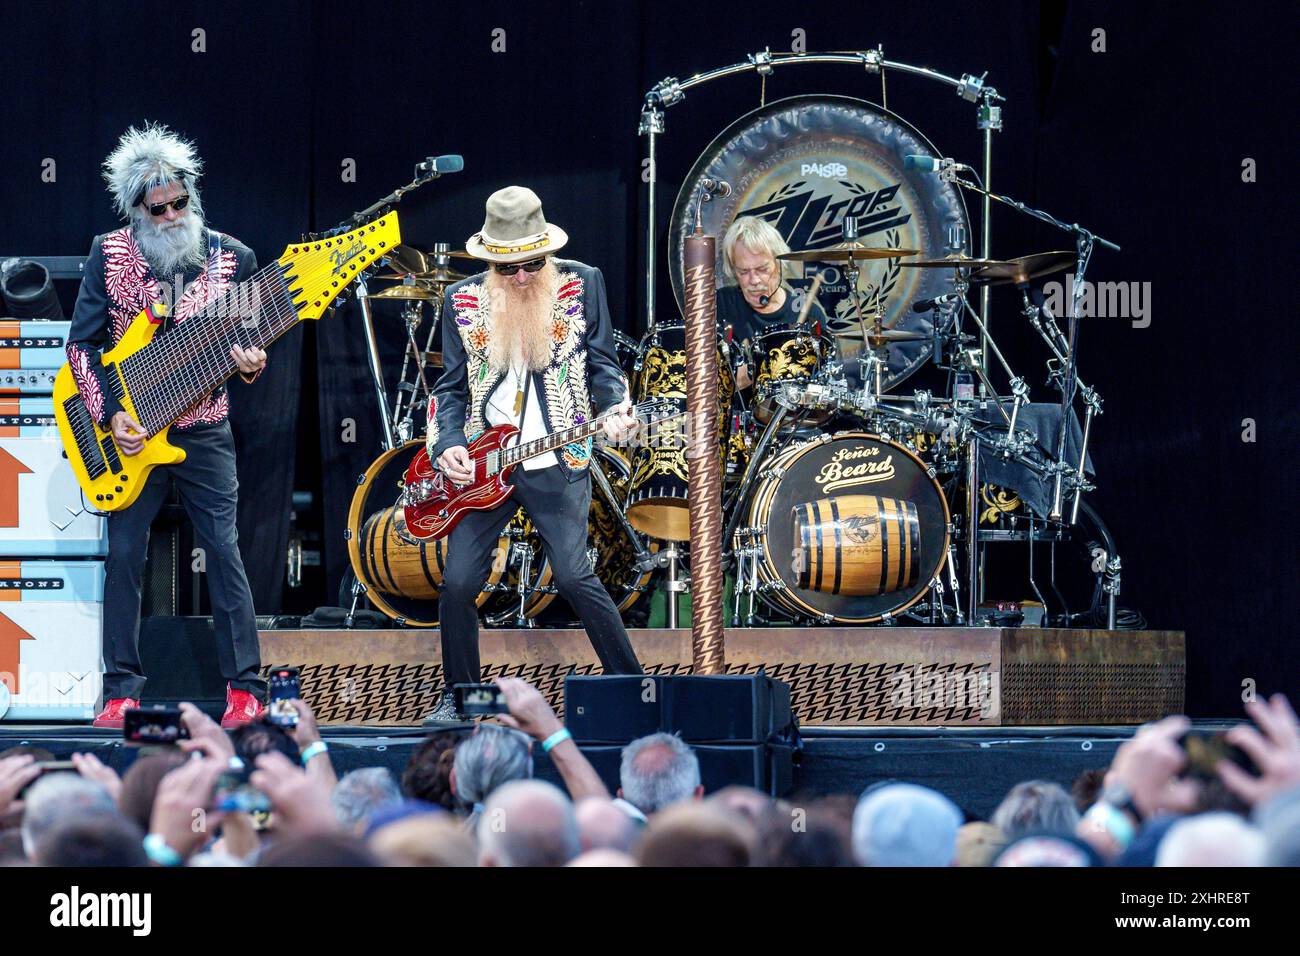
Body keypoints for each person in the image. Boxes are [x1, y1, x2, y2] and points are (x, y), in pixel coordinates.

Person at [67, 123, 268, 728]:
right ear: (137, 210)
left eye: (180, 202)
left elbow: (251, 344)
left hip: (203, 428)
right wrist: (111, 415)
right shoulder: (110, 253)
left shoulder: (234, 259)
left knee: (225, 552)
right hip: (128, 437)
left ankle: (245, 689)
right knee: (124, 554)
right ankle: (121, 690)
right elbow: (82, 348)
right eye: (158, 209)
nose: (172, 214)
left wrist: (251, 363)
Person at [425, 186, 643, 719]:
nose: (522, 276)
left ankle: (632, 688)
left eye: (533, 263)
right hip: (485, 461)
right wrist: (449, 444)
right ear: (490, 261)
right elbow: (450, 388)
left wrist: (616, 408)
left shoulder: (582, 282)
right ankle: (463, 699)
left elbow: (604, 363)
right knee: (456, 585)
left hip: (558, 453)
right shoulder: (461, 300)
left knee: (572, 575)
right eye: (509, 268)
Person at [716, 216, 829, 391]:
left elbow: (821, 389)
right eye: (743, 271)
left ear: (779, 264)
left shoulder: (810, 315)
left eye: (762, 269)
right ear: (733, 270)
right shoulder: (719, 305)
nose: (754, 280)